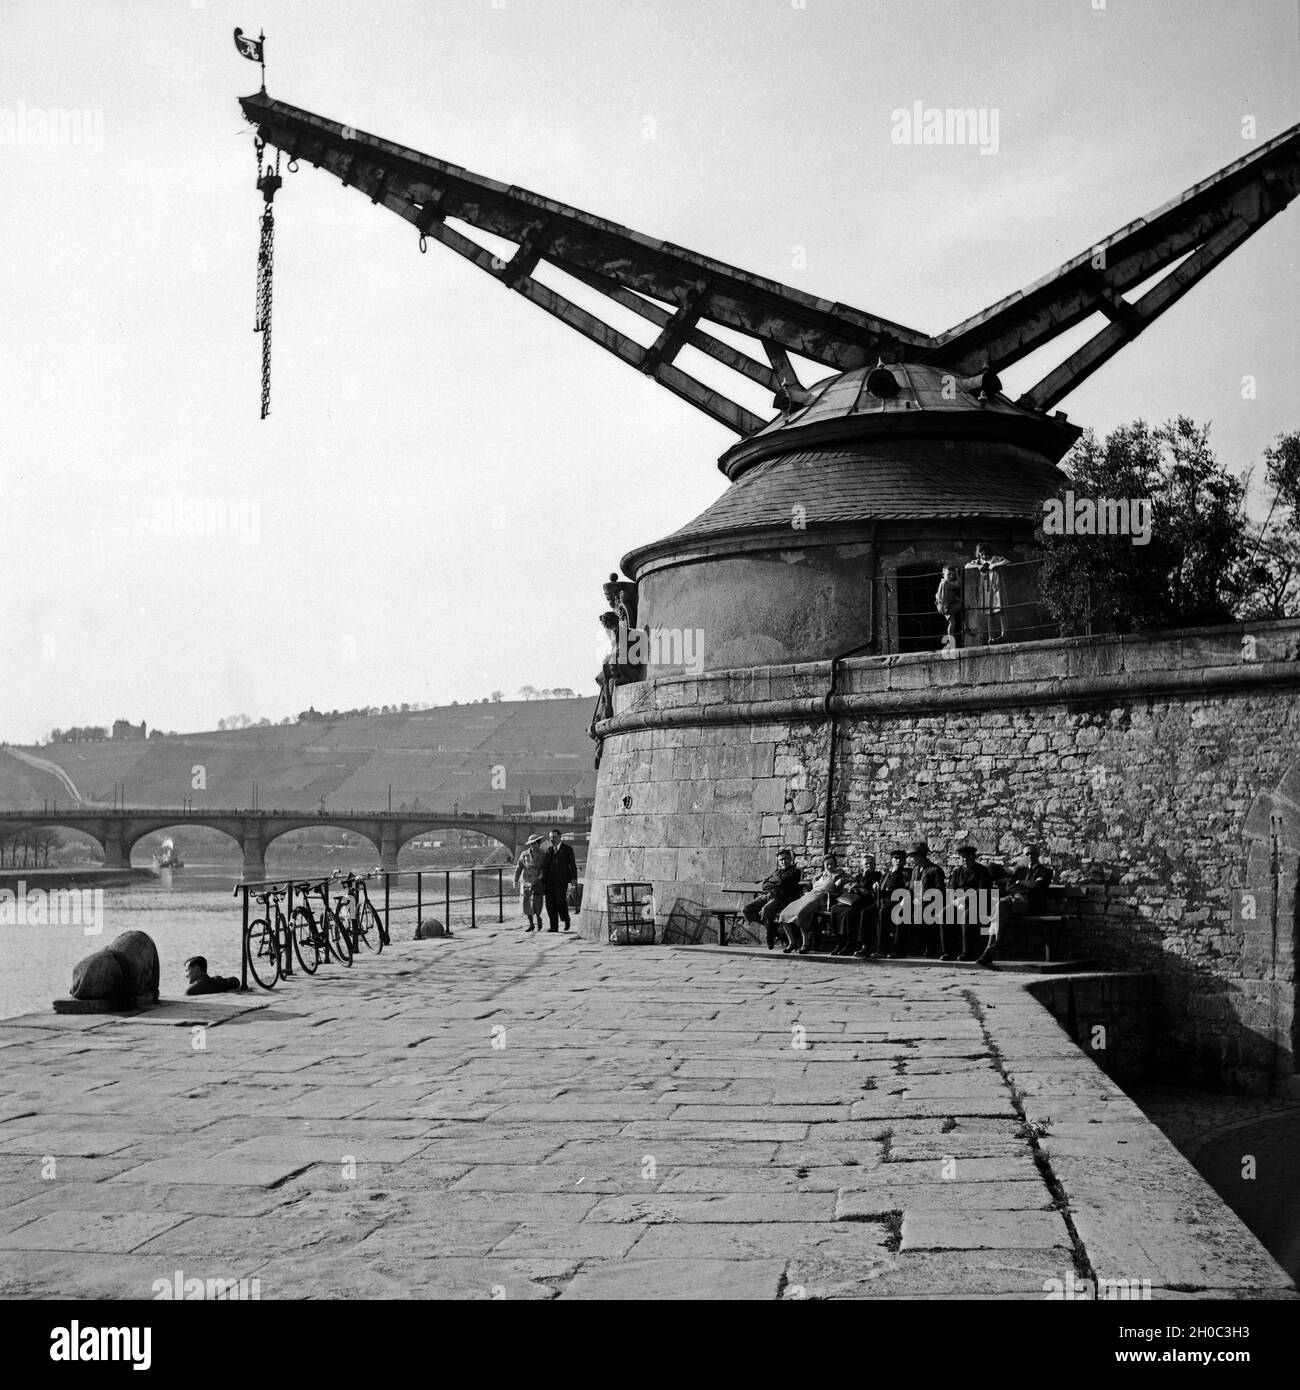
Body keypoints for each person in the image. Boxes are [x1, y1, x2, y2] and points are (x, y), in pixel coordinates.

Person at [980, 844, 1053, 965]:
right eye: (1027, 854)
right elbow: (1009, 886)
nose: (1030, 856)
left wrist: (1019, 882)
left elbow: (1037, 886)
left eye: (1032, 853)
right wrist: (1025, 886)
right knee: (1000, 905)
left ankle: (991, 948)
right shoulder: (1020, 870)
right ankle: (994, 945)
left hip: (1030, 904)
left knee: (999, 909)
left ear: (1038, 854)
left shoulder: (1045, 871)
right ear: (1024, 856)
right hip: (1014, 900)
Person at [778, 853, 846, 955]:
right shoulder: (819, 875)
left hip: (820, 898)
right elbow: (808, 886)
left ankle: (806, 943)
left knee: (800, 914)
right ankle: (792, 942)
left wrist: (841, 881)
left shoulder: (837, 874)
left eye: (832, 864)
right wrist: (806, 891)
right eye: (828, 864)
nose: (830, 867)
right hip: (808, 896)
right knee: (784, 914)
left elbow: (848, 881)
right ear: (823, 864)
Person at [742, 849, 803, 950]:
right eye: (781, 860)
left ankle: (770, 941)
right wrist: (774, 882)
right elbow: (764, 885)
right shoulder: (777, 872)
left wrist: (775, 882)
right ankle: (773, 928)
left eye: (786, 858)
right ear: (778, 861)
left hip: (781, 899)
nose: (784, 861)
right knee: (746, 909)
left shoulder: (795, 871)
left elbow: (783, 882)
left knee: (766, 910)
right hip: (769, 896)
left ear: (790, 859)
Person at [949, 844, 994, 962]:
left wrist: (965, 900)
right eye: (962, 858)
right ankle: (947, 951)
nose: (964, 860)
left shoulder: (982, 871)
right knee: (945, 913)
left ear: (973, 857)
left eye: (967, 857)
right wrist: (956, 902)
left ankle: (966, 952)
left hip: (979, 904)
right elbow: (952, 890)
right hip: (959, 903)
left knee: (967, 915)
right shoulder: (957, 872)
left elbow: (982, 892)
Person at [907, 840, 947, 959]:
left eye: (914, 856)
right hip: (917, 902)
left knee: (919, 915)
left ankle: (931, 947)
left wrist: (924, 898)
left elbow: (939, 891)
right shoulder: (915, 870)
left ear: (921, 856)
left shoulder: (934, 870)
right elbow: (911, 888)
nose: (912, 859)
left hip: (932, 904)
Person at [965, 543, 1009, 644]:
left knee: (1001, 611)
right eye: (981, 554)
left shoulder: (995, 559)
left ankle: (1004, 635)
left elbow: (1007, 561)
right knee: (989, 615)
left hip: (997, 588)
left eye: (984, 554)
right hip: (986, 590)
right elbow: (966, 566)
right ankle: (991, 637)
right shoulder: (979, 562)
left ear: (988, 552)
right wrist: (978, 566)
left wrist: (995, 565)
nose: (983, 556)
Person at [537, 828, 578, 932]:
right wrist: (542, 877)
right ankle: (554, 927)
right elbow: (544, 866)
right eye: (551, 838)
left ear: (560, 837)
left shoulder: (567, 849)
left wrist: (573, 878)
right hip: (549, 882)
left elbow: (572, 865)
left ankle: (565, 918)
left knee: (560, 902)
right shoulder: (549, 850)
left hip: (562, 881)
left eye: (554, 837)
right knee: (550, 905)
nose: (552, 839)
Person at [878, 849, 911, 957]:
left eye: (901, 859)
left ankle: (897, 949)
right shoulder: (886, 875)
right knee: (866, 912)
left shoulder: (906, 873)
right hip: (884, 901)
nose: (898, 861)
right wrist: (876, 888)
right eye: (896, 859)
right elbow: (881, 891)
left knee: (888, 912)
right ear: (892, 861)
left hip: (900, 902)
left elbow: (909, 889)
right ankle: (873, 947)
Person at [513, 833, 547, 932]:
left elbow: (545, 868)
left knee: (537, 904)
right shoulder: (524, 854)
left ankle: (538, 918)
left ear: (538, 843)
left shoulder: (543, 854)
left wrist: (541, 876)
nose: (532, 845)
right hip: (526, 882)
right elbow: (519, 868)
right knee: (526, 904)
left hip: (537, 882)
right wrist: (515, 880)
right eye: (531, 844)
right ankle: (531, 924)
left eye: (534, 843)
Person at [934, 565, 963, 649]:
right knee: (964, 605)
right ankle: (966, 627)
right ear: (943, 574)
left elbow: (939, 595)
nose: (951, 576)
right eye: (949, 574)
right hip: (946, 607)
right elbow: (959, 584)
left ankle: (950, 643)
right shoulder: (945, 582)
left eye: (952, 575)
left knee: (952, 623)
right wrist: (957, 574)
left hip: (943, 606)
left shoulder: (942, 583)